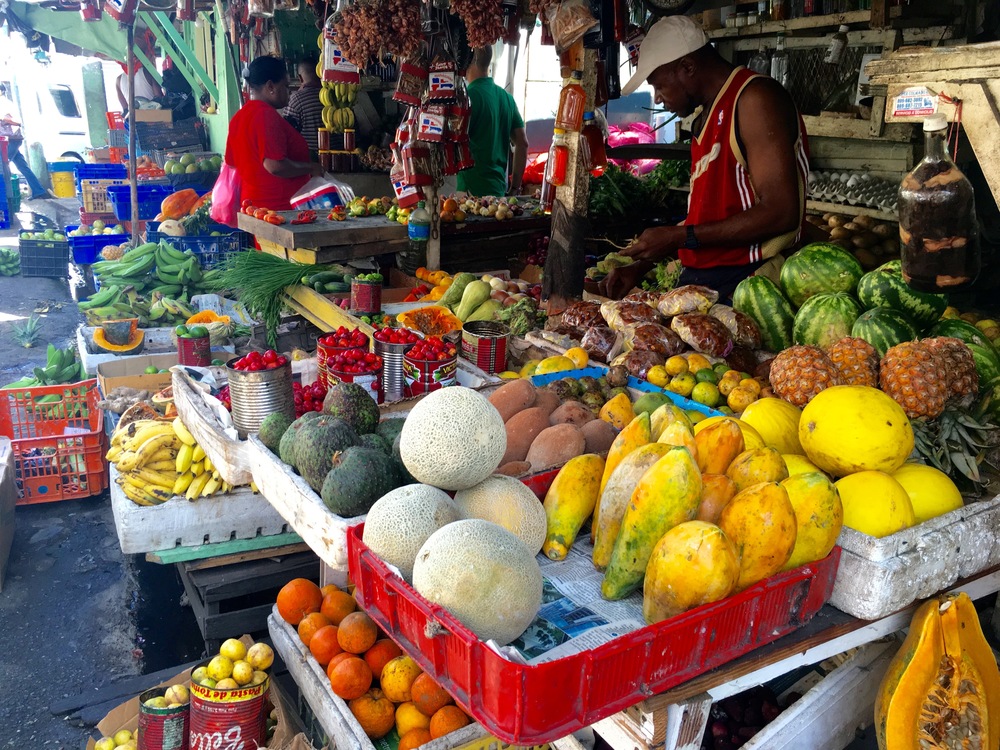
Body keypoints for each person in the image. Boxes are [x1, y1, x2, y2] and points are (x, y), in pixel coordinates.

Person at [600, 16, 809, 301]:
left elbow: (781, 212)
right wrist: (641, 266)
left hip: (750, 284)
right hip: (706, 283)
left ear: (687, 67)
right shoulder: (704, 120)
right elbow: (709, 216)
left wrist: (679, 237)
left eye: (658, 85)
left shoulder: (753, 100)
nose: (658, 98)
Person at [224, 56, 324, 211]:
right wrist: (311, 168)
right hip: (277, 211)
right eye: (286, 86)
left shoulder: (239, 117)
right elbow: (275, 166)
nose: (290, 92)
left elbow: (231, 163)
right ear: (270, 86)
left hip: (253, 208)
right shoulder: (265, 116)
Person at [458, 47, 529, 198]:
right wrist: (515, 188)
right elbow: (522, 143)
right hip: (498, 191)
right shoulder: (506, 98)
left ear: (467, 61)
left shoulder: (466, 98)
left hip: (471, 194)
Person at [0, 84, 49, 200]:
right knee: (23, 167)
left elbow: (10, 119)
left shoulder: (3, 102)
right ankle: (39, 191)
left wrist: (7, 120)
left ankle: (7, 197)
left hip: (10, 140)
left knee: (3, 165)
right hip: (12, 139)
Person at [284, 53, 325, 157]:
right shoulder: (334, 96)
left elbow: (286, 134)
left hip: (311, 161)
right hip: (342, 160)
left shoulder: (296, 99)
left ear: (300, 78)